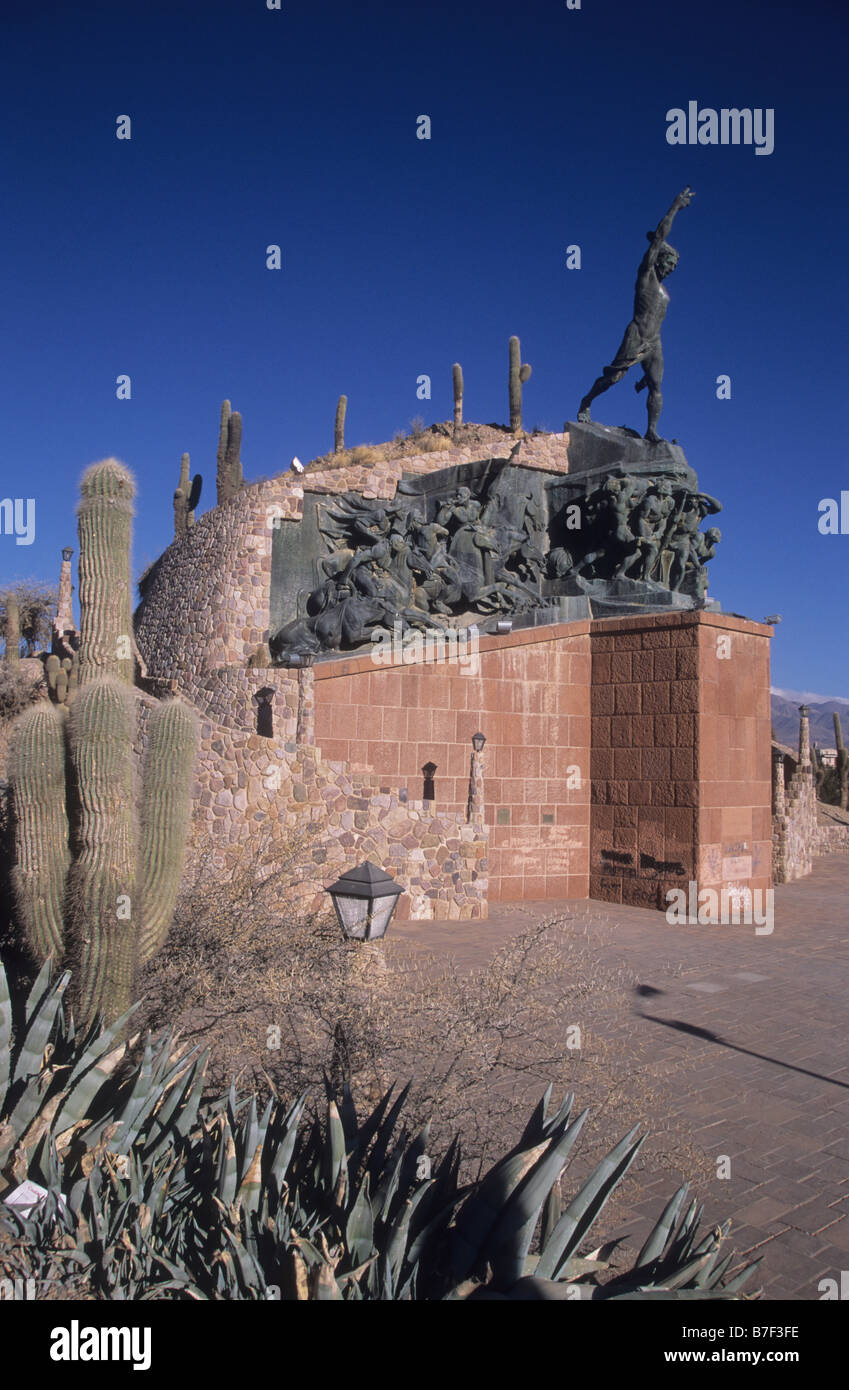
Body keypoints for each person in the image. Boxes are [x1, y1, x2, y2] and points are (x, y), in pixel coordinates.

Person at [577, 187, 695, 443]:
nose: (671, 268)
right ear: (659, 260)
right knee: (614, 377)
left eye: (675, 266)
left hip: (655, 342)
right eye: (669, 262)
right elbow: (658, 238)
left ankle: (651, 430)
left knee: (657, 388)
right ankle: (586, 401)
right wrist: (675, 207)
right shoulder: (646, 276)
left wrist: (647, 368)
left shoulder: (665, 292)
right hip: (637, 334)